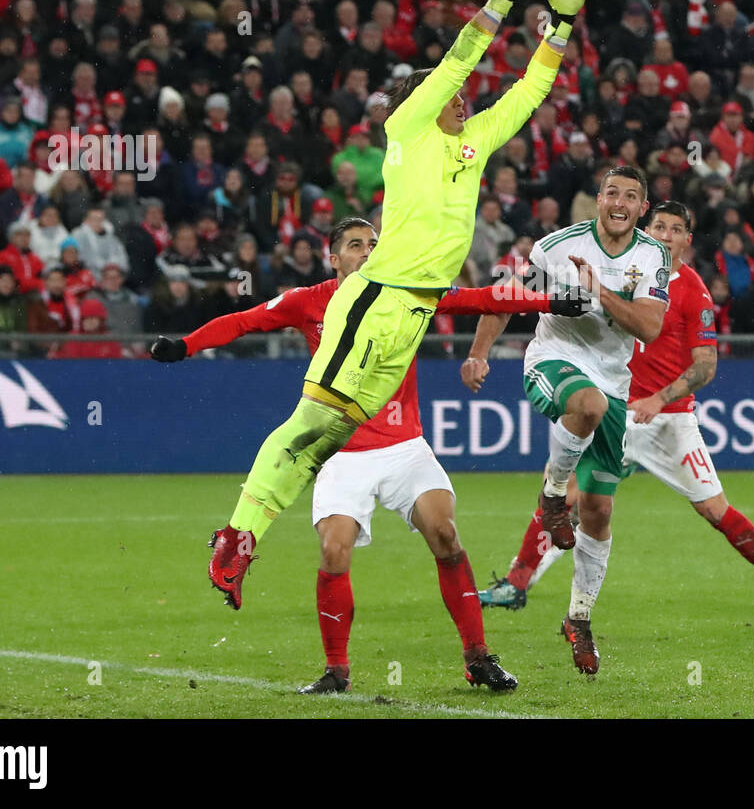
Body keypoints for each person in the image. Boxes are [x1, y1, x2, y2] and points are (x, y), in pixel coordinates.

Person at [201, 0, 597, 620]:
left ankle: (244, 540)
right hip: (375, 298)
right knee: (312, 420)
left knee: (329, 434)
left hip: (414, 312)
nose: (465, 97)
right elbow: (459, 58)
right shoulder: (407, 127)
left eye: (466, 96)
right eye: (453, 92)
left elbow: (531, 91)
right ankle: (236, 536)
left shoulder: (472, 145)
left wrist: (560, 21)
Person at [151, 217, 585, 693]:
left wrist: (551, 301)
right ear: (333, 258)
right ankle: (336, 671)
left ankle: (478, 657)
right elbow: (243, 321)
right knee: (334, 551)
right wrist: (185, 345)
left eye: (373, 244)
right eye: (355, 244)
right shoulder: (308, 301)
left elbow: (482, 297)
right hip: (342, 452)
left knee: (445, 534)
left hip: (404, 447)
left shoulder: (409, 289)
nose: (367, 251)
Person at [479, 202, 754, 644]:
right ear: (645, 229)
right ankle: (516, 584)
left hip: (668, 421)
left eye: (676, 229)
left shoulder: (693, 291)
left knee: (714, 509)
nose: (666, 235)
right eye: (659, 227)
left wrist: (660, 398)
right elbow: (543, 292)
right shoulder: (620, 271)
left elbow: (705, 365)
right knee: (566, 498)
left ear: (687, 239)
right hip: (617, 409)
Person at [461, 166, 670, 674]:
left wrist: (599, 291)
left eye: (631, 197)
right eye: (612, 193)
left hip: (614, 381)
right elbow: (505, 296)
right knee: (587, 406)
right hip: (554, 360)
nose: (619, 203)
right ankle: (553, 495)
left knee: (597, 510)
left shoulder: (651, 256)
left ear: (642, 208)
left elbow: (649, 327)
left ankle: (578, 618)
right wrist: (478, 354)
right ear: (598, 199)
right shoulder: (557, 246)